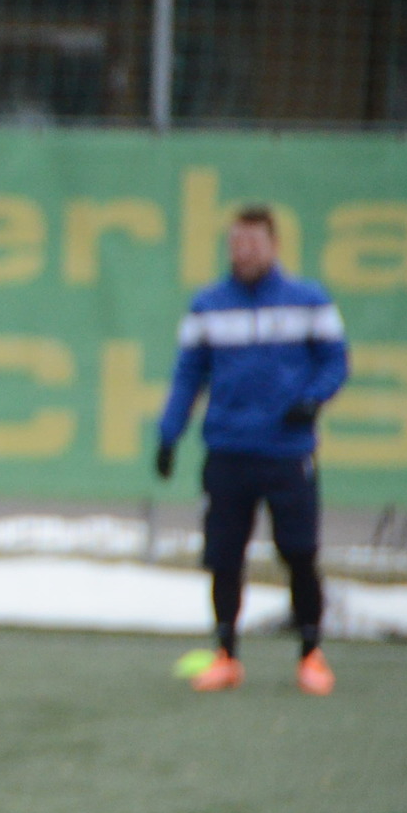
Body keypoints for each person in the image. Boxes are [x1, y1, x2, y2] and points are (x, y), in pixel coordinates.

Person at [156, 204, 348, 696]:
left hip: (287, 453)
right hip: (228, 451)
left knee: (299, 552)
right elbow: (188, 375)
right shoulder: (207, 305)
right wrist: (169, 433)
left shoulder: (309, 300)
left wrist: (311, 400)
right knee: (224, 556)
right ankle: (226, 655)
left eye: (253, 243)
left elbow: (335, 362)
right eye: (235, 243)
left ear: (274, 245)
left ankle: (311, 654)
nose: (243, 252)